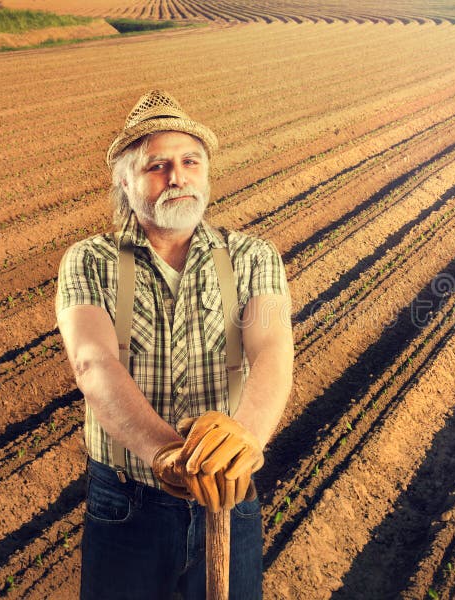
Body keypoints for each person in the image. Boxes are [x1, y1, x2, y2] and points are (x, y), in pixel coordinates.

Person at [55, 90, 293, 599]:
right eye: (157, 166)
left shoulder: (254, 258)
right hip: (126, 502)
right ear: (125, 181)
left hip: (230, 499)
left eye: (190, 161)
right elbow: (92, 360)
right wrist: (161, 448)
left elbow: (272, 348)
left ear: (206, 172)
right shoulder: (89, 262)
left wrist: (244, 441)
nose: (177, 176)